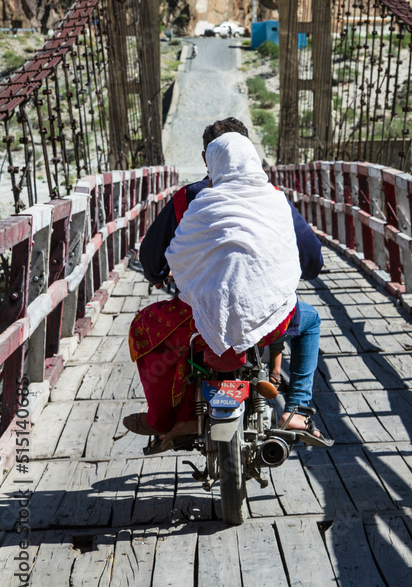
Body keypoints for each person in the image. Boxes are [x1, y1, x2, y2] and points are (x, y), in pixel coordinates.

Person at [124, 117, 325, 447]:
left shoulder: (188, 198)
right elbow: (313, 261)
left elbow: (151, 256)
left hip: (197, 322)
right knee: (311, 321)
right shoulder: (275, 198)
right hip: (268, 320)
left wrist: (158, 275)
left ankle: (163, 418)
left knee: (146, 328)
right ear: (251, 154)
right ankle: (297, 408)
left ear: (208, 158)